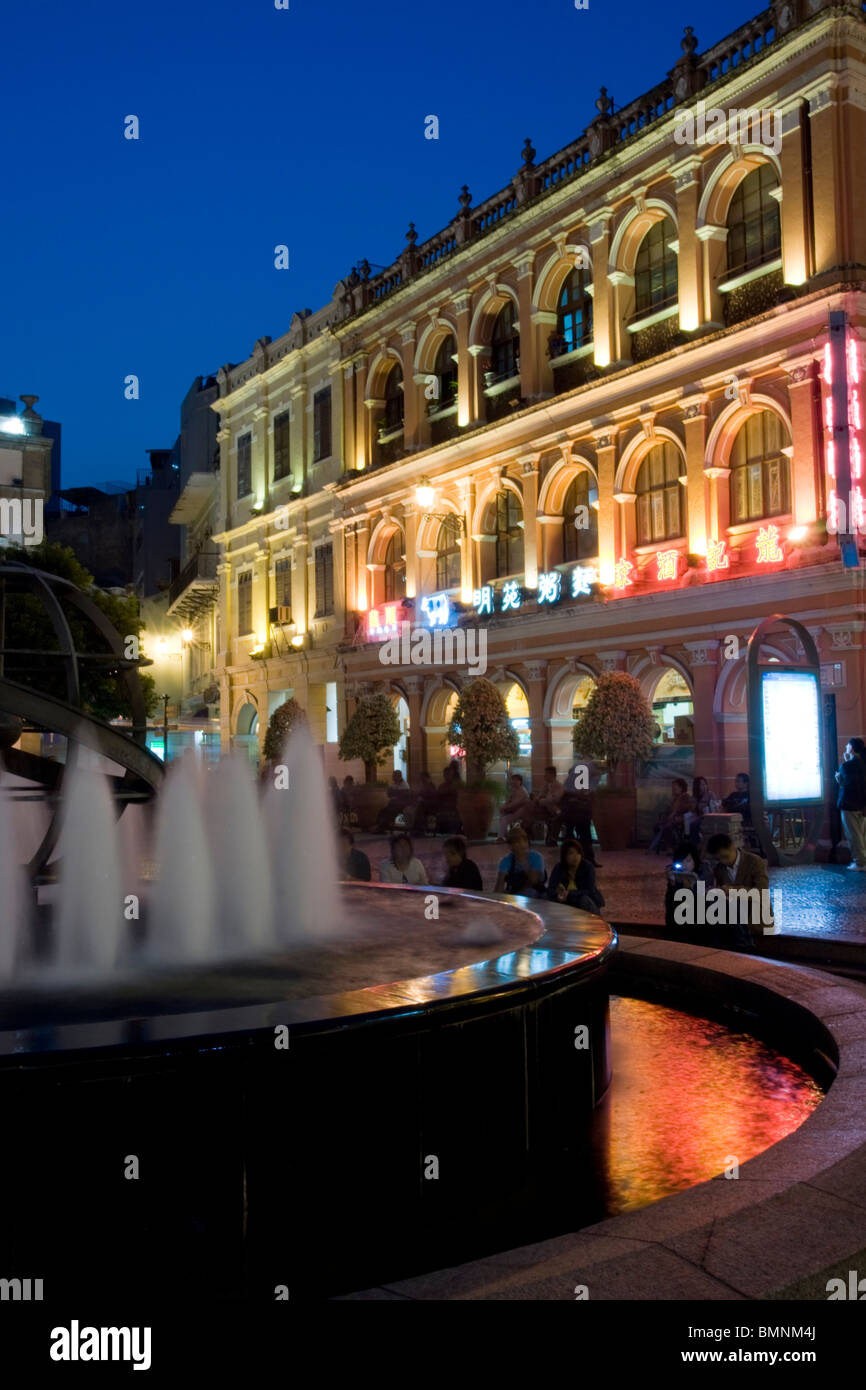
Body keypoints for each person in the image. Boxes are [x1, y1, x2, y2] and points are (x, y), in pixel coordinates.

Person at [705, 832, 771, 948]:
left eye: (725, 857)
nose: (723, 861)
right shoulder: (719, 869)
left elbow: (761, 892)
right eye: (719, 858)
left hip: (755, 914)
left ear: (732, 847)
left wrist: (732, 890)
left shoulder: (755, 862)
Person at [664, 839, 713, 934]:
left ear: (695, 860)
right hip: (679, 922)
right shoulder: (677, 874)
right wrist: (672, 885)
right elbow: (670, 907)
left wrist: (689, 889)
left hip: (701, 924)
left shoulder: (704, 873)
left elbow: (702, 906)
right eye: (680, 862)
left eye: (688, 861)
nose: (684, 865)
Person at [547, 838, 604, 913]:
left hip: (584, 901)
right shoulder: (559, 868)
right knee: (546, 898)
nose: (575, 856)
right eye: (571, 853)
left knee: (583, 899)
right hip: (565, 901)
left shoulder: (587, 867)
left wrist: (570, 893)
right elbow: (551, 888)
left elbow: (589, 890)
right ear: (564, 856)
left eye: (578, 853)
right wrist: (558, 895)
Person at [835, 737, 866, 869]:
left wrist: (838, 778)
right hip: (862, 804)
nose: (846, 747)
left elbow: (845, 784)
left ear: (852, 748)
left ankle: (859, 862)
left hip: (849, 804)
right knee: (862, 833)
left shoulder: (846, 766)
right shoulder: (863, 763)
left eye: (847, 746)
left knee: (853, 834)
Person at [494, 825, 547, 897]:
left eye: (524, 841)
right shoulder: (506, 861)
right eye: (517, 842)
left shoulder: (536, 857)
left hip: (536, 893)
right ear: (510, 846)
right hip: (515, 893)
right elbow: (500, 885)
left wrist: (522, 860)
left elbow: (534, 880)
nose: (522, 845)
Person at [647, 778, 695, 854]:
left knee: (667, 827)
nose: (673, 788)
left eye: (675, 786)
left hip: (680, 819)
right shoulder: (674, 798)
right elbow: (669, 809)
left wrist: (676, 812)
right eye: (672, 786)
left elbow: (688, 808)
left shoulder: (685, 796)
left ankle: (671, 847)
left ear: (681, 787)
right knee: (657, 826)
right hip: (671, 819)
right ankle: (667, 845)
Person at [536, 765, 565, 846]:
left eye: (546, 774)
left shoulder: (558, 786)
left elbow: (554, 800)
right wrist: (540, 800)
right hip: (548, 810)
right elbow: (540, 797)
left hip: (557, 810)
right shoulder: (546, 785)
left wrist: (541, 801)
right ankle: (550, 838)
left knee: (554, 818)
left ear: (551, 774)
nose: (544, 775)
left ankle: (552, 838)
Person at [496, 773, 530, 842]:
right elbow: (509, 800)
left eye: (515, 780)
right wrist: (504, 807)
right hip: (514, 810)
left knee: (504, 819)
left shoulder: (522, 791)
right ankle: (503, 836)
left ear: (520, 781)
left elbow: (515, 804)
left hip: (521, 811)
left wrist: (505, 808)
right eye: (513, 780)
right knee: (502, 816)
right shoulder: (514, 790)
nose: (513, 782)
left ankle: (501, 837)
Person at [686, 775, 719, 845]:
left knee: (694, 825)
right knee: (688, 822)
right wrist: (693, 805)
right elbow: (692, 810)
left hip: (709, 818)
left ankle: (694, 845)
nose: (703, 786)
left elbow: (715, 808)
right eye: (700, 784)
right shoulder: (694, 797)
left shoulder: (710, 794)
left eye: (704, 784)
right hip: (697, 817)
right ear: (696, 786)